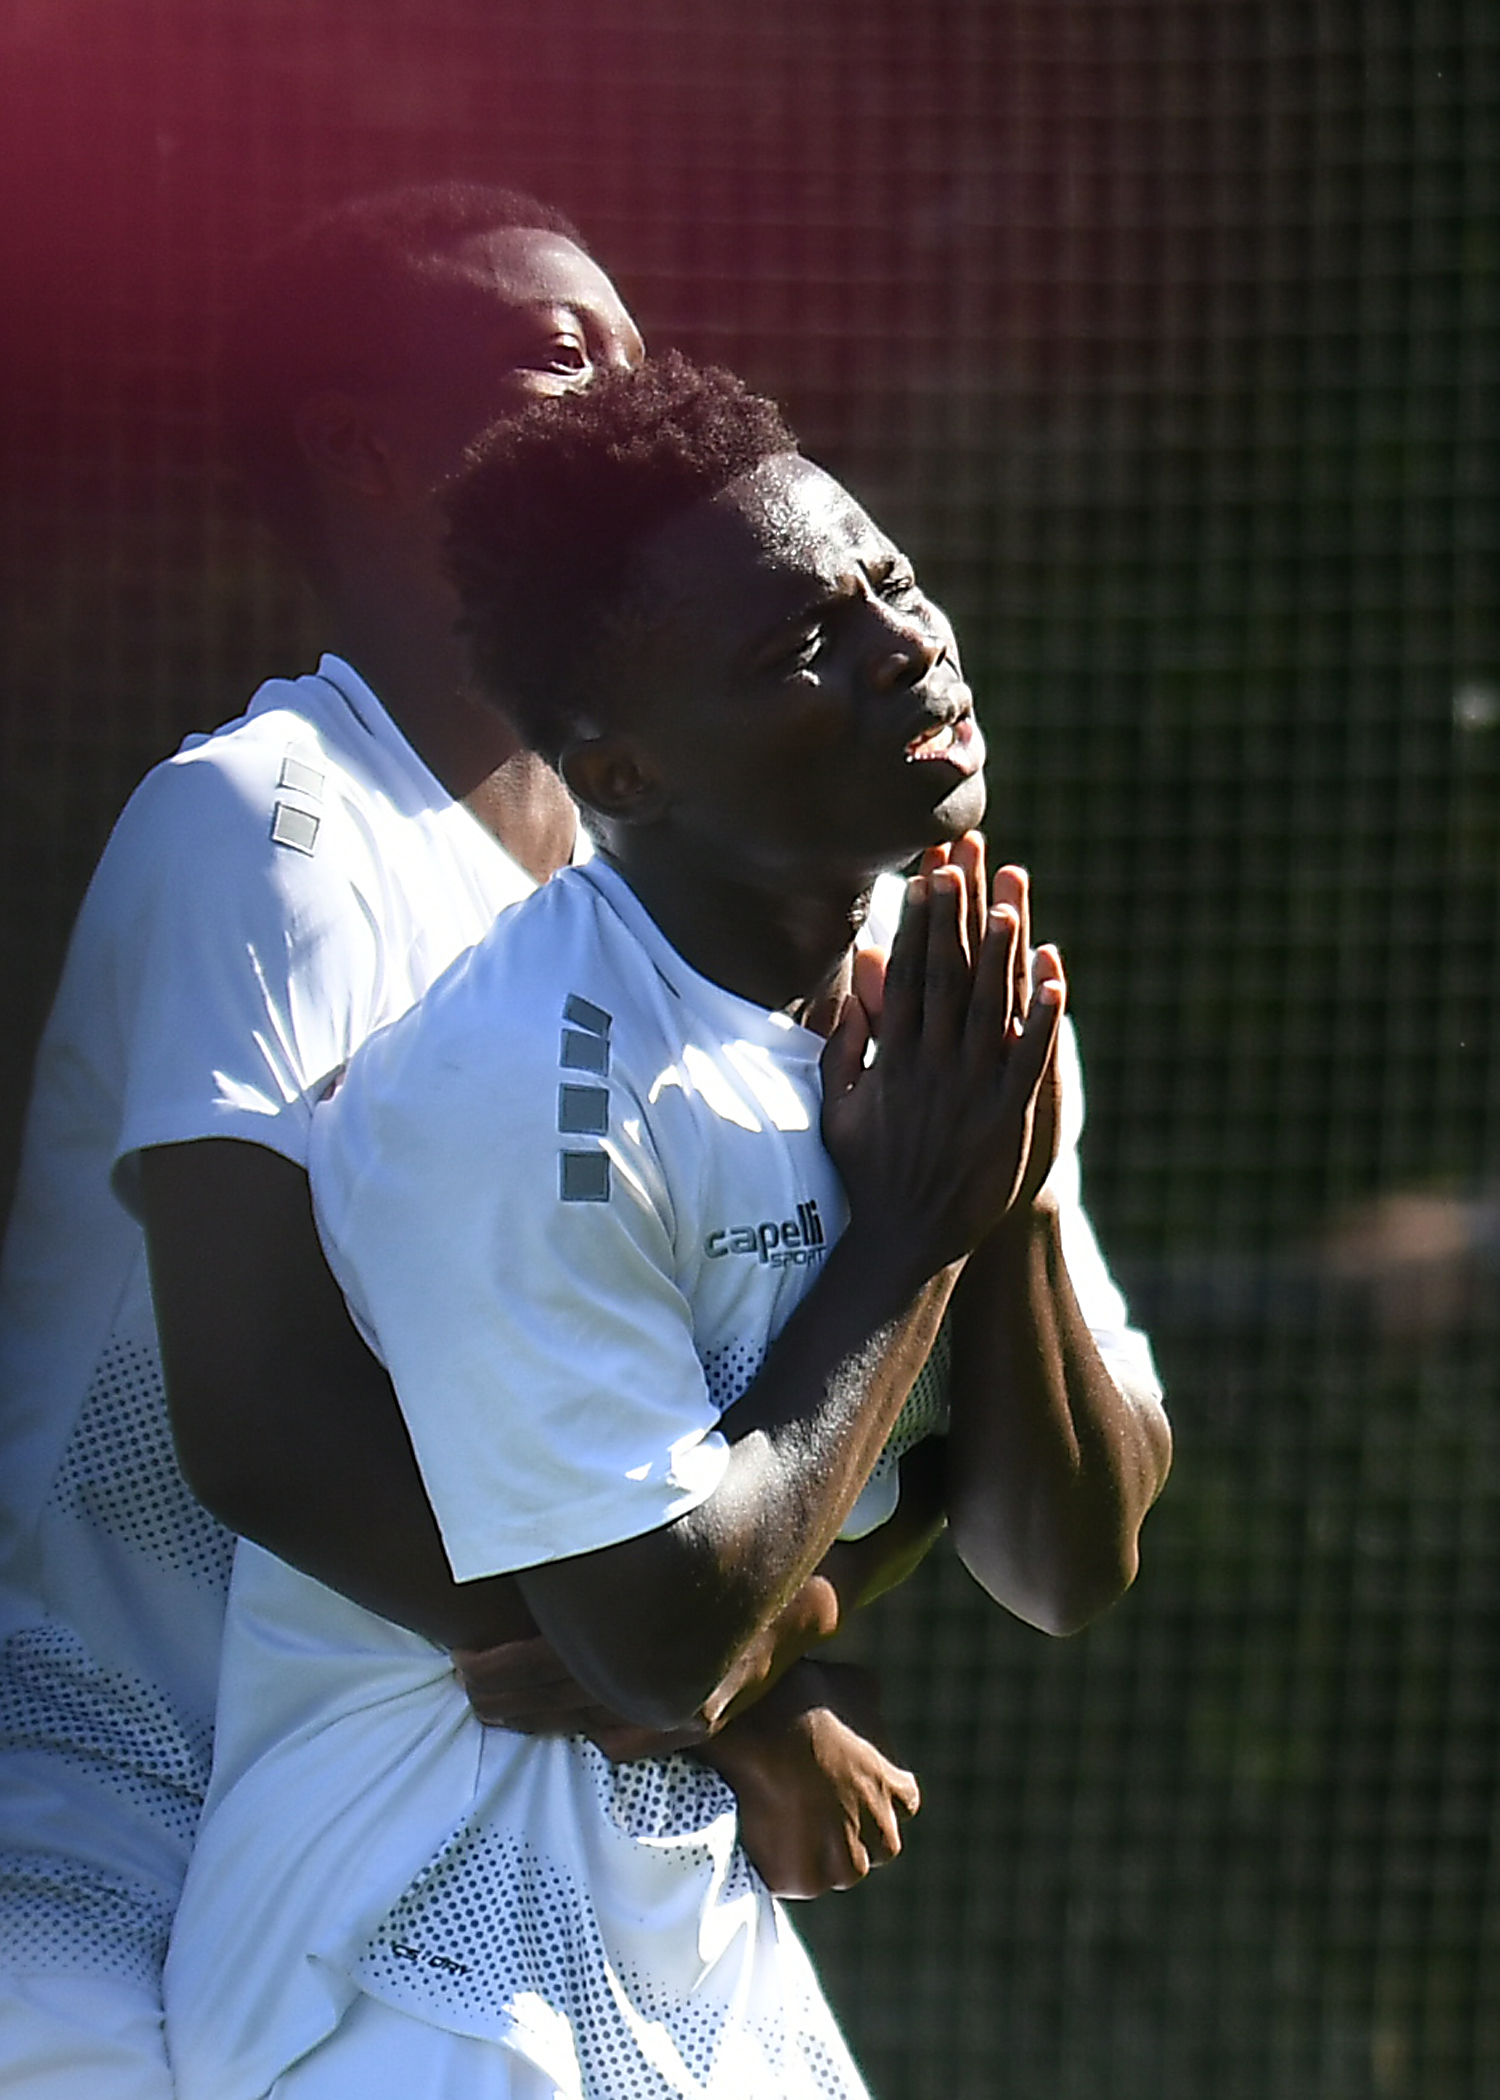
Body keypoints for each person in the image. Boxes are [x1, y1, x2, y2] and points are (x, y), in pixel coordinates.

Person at [162, 352, 1171, 2100]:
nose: (903, 647)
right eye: (801, 646)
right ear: (623, 768)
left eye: (891, 585)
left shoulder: (960, 1008)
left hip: (679, 1941)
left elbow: (1064, 1561)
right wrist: (913, 1228)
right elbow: (656, 1636)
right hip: (397, 1962)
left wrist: (984, 1197)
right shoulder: (523, 1081)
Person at [0, 180, 652, 2098]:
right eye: (564, 357)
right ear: (367, 453)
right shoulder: (258, 824)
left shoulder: (648, 906)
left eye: (653, 354)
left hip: (431, 1821)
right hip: (102, 1820)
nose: (644, 402)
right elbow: (266, 1422)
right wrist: (692, 1679)